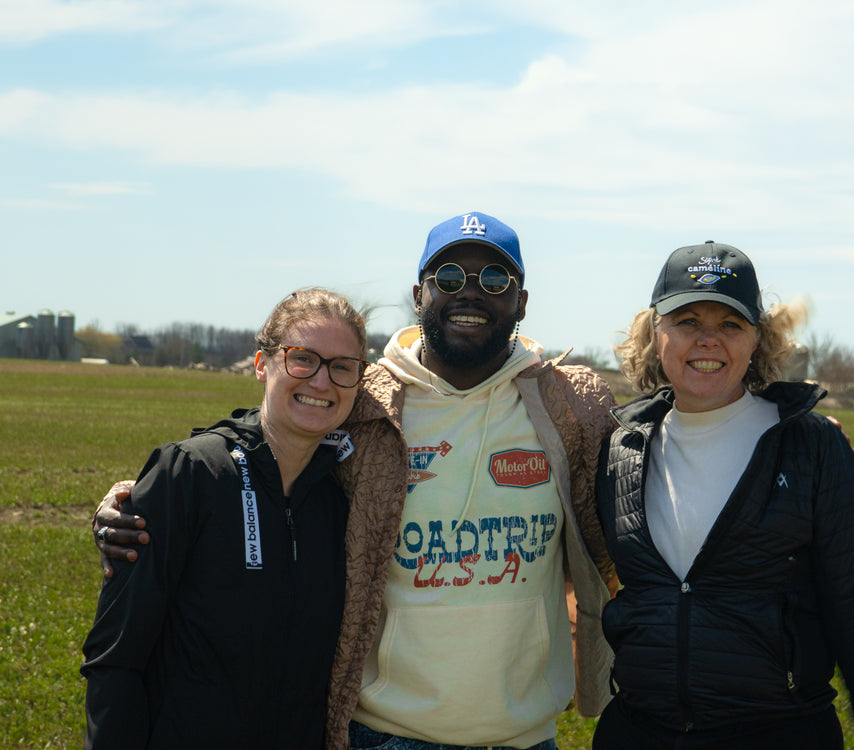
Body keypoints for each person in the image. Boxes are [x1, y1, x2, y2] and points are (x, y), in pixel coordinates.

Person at [91, 212, 620, 750]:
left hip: (525, 735)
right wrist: (139, 497)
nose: (470, 293)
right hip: (387, 735)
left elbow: (647, 465)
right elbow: (275, 427)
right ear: (419, 294)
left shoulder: (569, 406)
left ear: (522, 302)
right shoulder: (367, 398)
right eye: (450, 278)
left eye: (494, 280)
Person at [591, 242, 854, 749]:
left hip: (780, 733)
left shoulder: (812, 447)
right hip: (639, 732)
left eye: (730, 324)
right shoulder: (622, 449)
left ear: (757, 340)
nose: (708, 341)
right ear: (654, 333)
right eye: (687, 321)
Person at [81, 289, 370, 749]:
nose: (321, 381)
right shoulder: (191, 474)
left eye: (342, 366)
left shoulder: (341, 503)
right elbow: (115, 660)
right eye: (303, 359)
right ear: (262, 364)